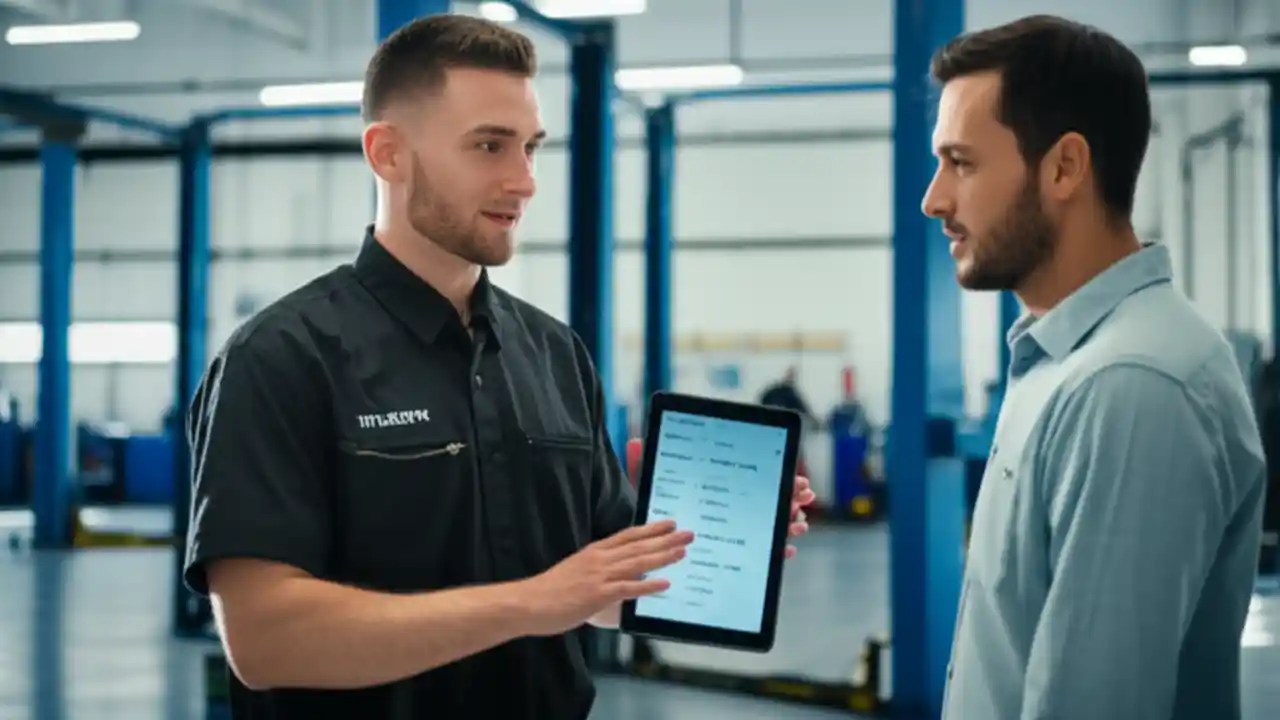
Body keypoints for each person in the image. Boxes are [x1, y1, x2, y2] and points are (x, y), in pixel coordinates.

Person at [181, 14, 815, 720]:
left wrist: (720, 537)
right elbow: (267, 641)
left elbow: (598, 593)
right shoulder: (279, 359)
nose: (524, 181)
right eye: (489, 146)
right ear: (387, 153)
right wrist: (532, 603)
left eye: (531, 148)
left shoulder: (554, 354)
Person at [922, 14, 1267, 720]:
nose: (936, 200)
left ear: (1065, 167)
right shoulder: (1060, 359)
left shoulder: (1132, 386)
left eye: (962, 163)